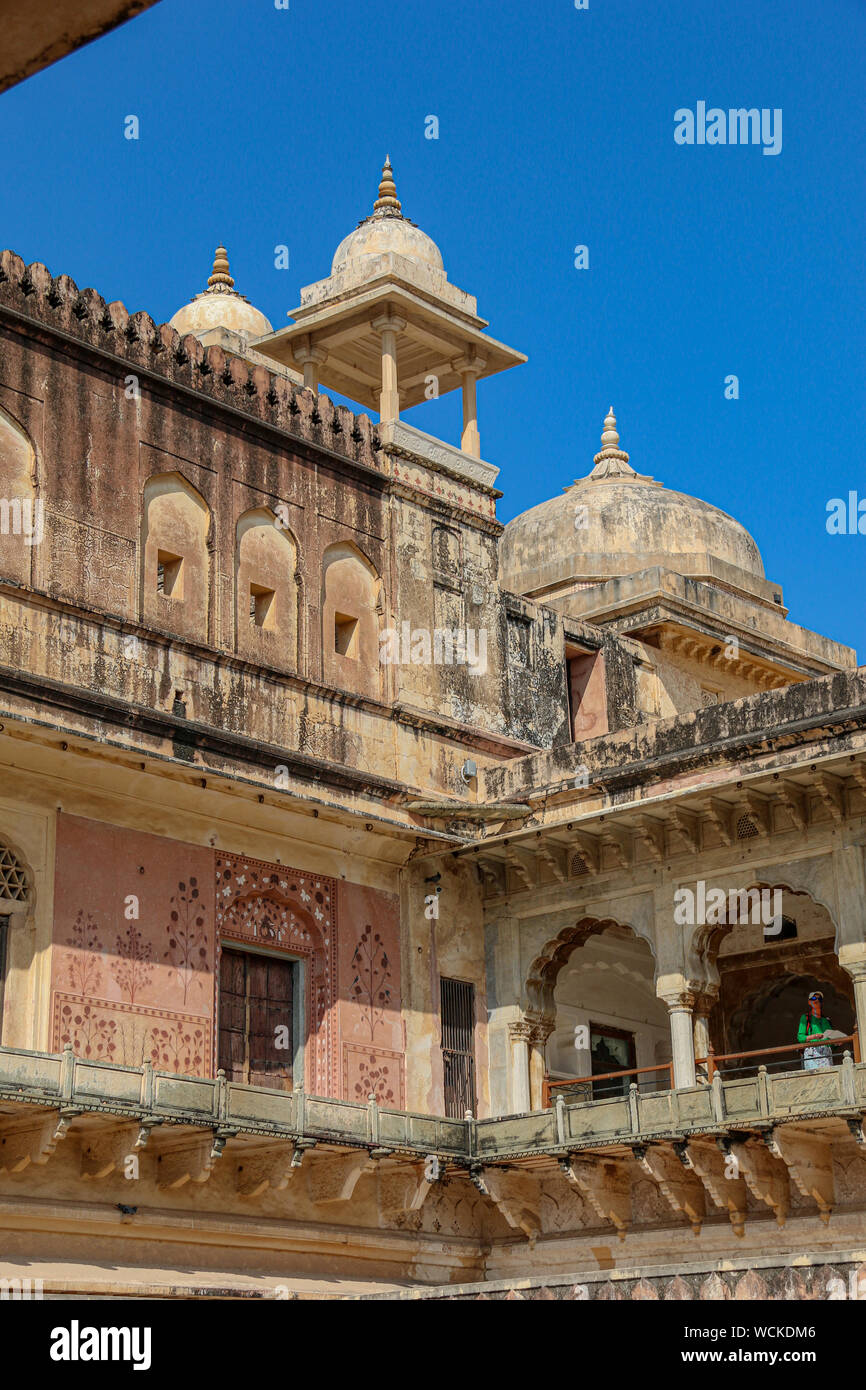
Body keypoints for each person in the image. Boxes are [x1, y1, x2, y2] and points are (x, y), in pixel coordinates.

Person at [798, 990, 834, 1070]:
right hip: (811, 1052)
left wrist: (837, 1042)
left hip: (826, 1052)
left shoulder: (825, 1020)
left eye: (819, 999)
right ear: (809, 1002)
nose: (817, 1000)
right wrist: (814, 1036)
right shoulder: (805, 1018)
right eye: (814, 998)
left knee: (827, 1077)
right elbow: (800, 1038)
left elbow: (831, 1039)